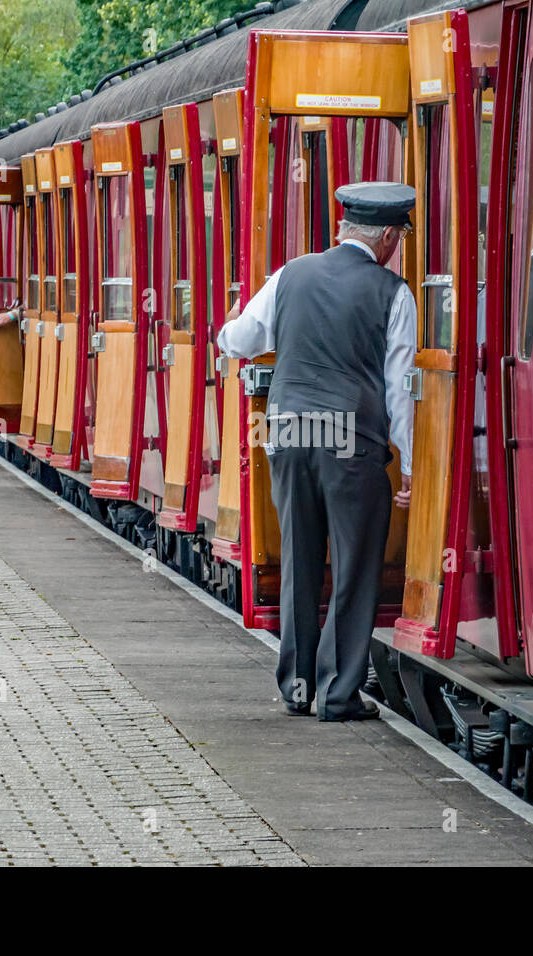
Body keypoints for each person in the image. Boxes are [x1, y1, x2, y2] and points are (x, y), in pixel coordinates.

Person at [216, 182, 417, 722]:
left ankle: (297, 688)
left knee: (300, 558)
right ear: (390, 237)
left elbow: (236, 340)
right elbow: (400, 390)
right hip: (351, 440)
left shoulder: (290, 274)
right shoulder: (394, 293)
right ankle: (338, 694)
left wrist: (229, 330)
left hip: (285, 434)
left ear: (344, 230)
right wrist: (412, 470)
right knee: (353, 567)